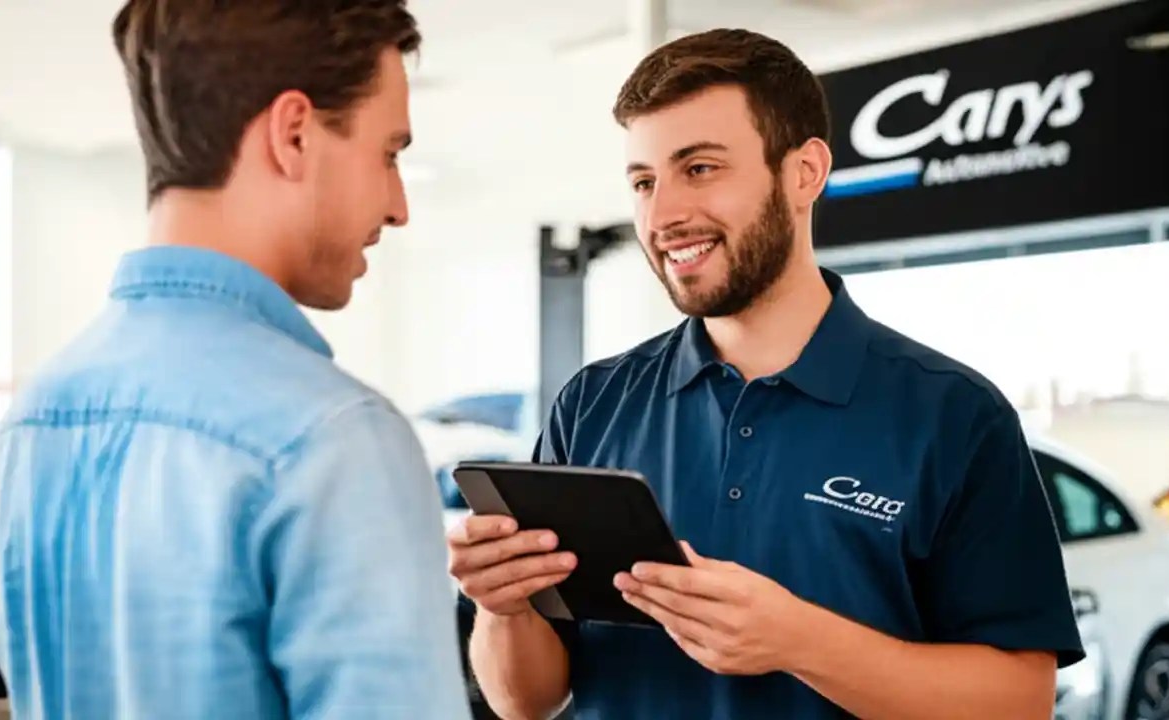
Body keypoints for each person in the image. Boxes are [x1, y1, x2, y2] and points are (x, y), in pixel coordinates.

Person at [447, 28, 1084, 720]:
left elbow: (1020, 702)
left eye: (700, 169)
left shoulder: (955, 417)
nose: (662, 215)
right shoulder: (593, 404)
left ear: (804, 172)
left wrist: (799, 640)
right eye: (643, 181)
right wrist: (503, 607)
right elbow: (524, 702)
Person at [0, 2, 471, 719]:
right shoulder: (335, 438)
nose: (399, 204)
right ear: (293, 134)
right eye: (389, 153)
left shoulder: (30, 421)